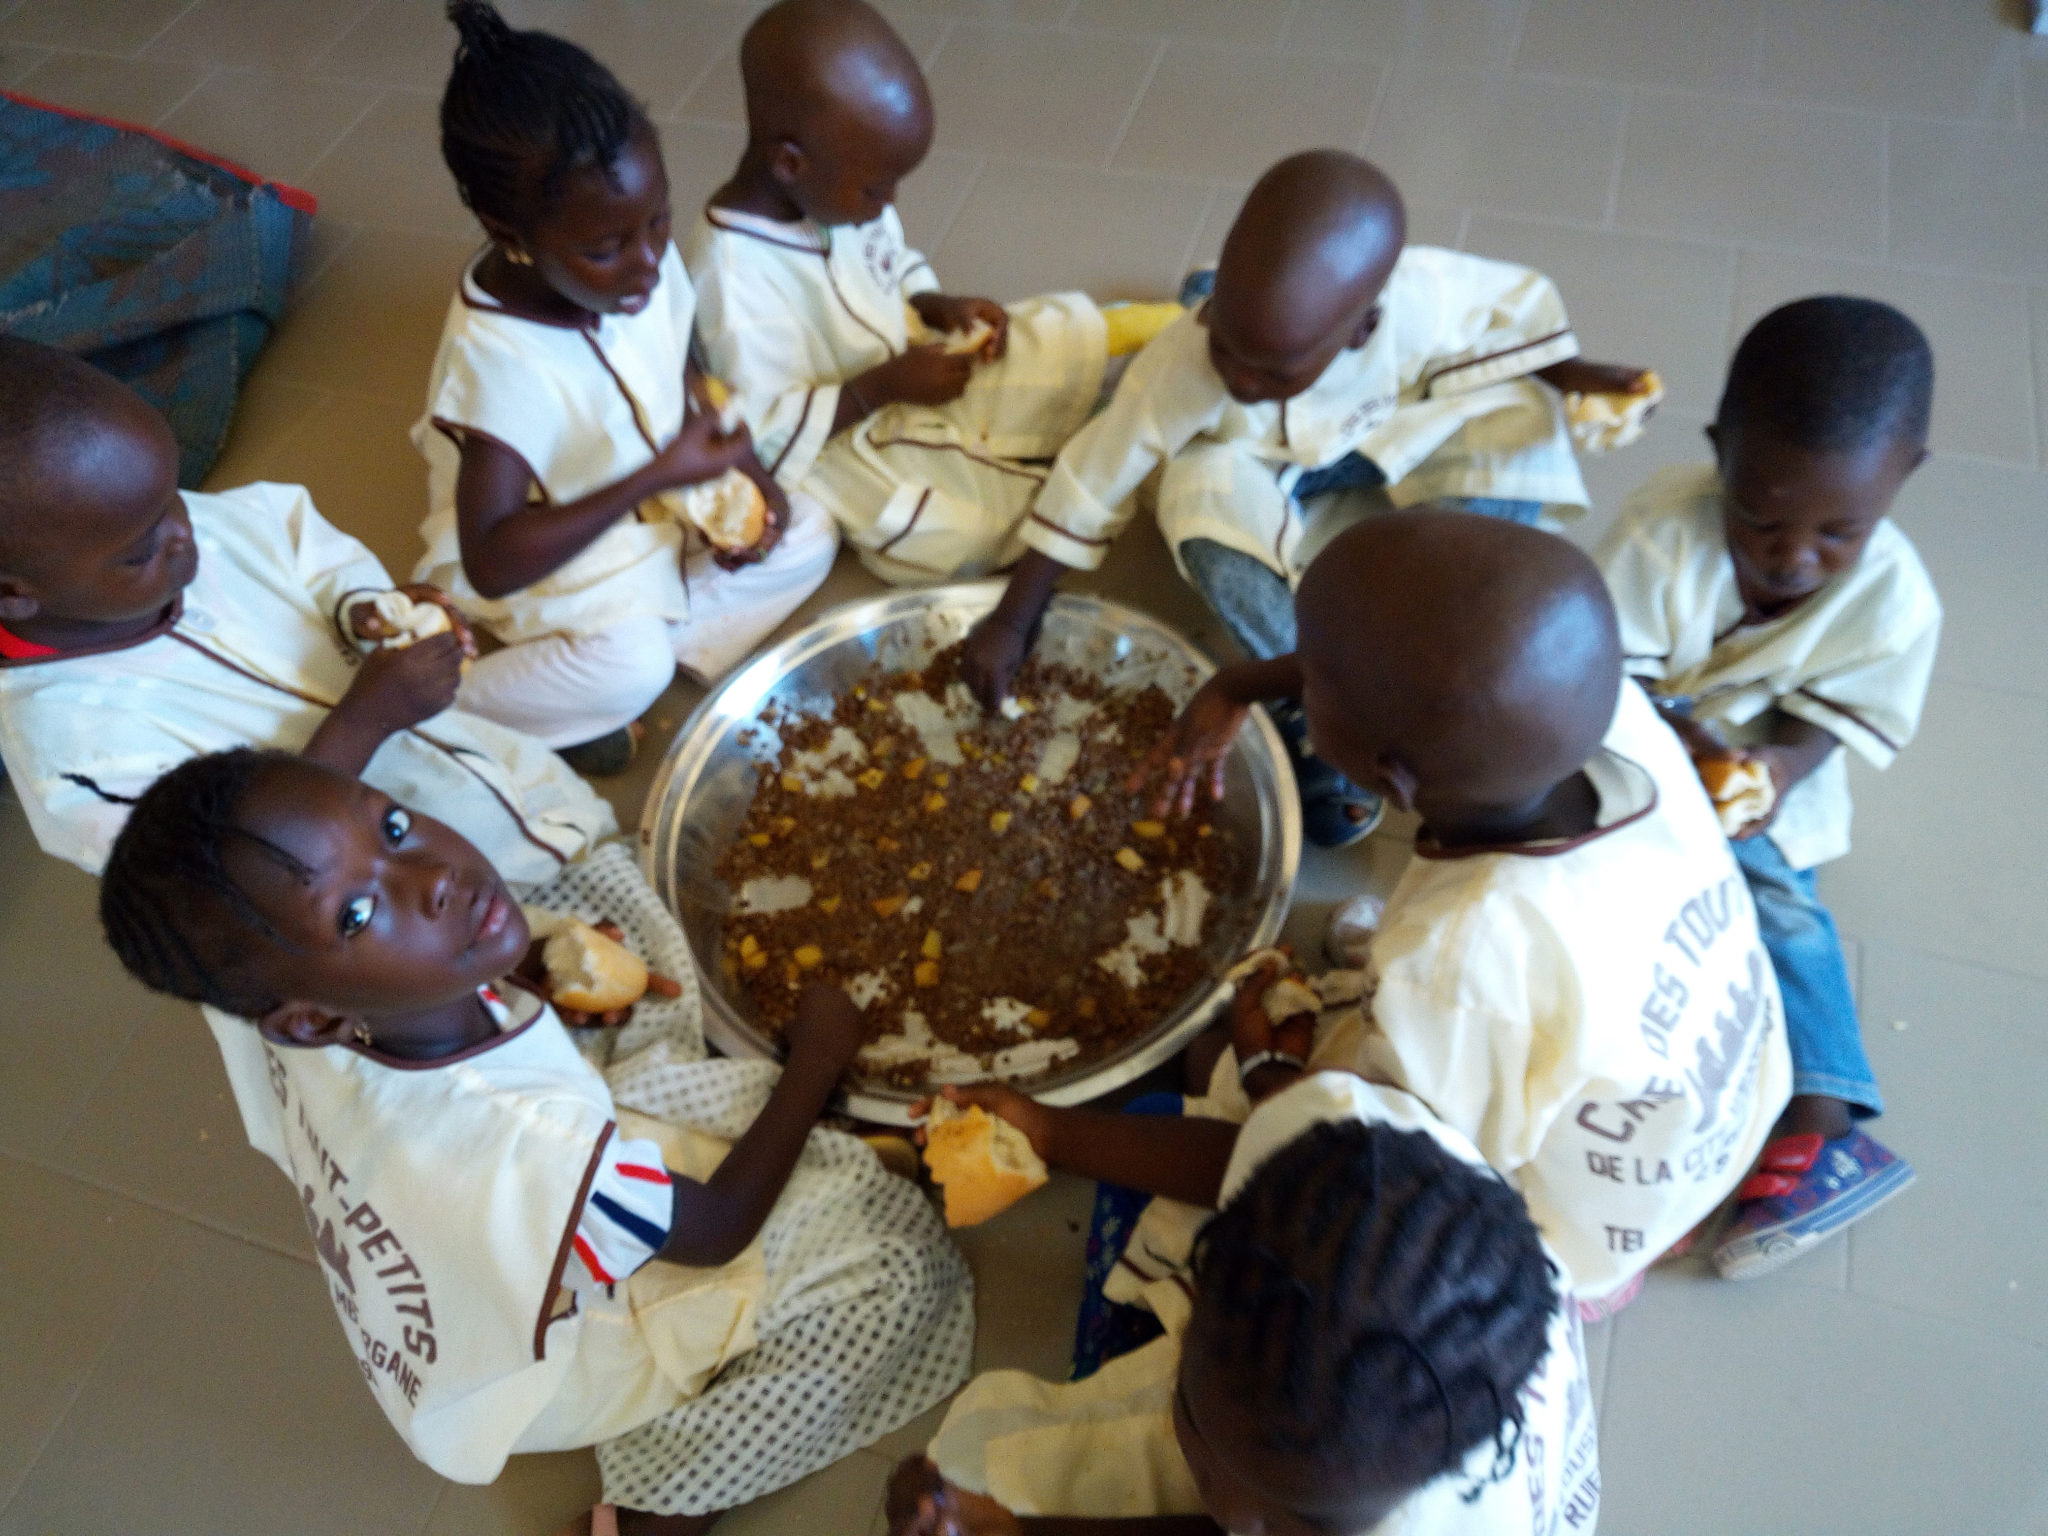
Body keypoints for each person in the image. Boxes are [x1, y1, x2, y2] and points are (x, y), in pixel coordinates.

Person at [98, 749, 974, 1536]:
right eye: (360, 913)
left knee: (599, 913)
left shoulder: (263, 1012)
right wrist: (817, 1062)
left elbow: (297, 886)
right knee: (894, 1268)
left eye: (393, 825)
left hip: (454, 1307)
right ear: (317, 1013)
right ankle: (659, 1510)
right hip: (569, 1367)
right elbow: (716, 1234)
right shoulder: (530, 1147)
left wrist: (473, 959)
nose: (433, 876)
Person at [1136, 509, 1791, 1315]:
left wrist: (1265, 1076)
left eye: (1314, 680)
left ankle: (1588, 1285)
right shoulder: (1606, 713)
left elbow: (1364, 1178)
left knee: (1210, 1069)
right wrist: (1237, 684)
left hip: (1585, 1216)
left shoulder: (1458, 959)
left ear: (1390, 775)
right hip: (1717, 1103)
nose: (1298, 676)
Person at [963, 150, 1653, 847]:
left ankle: (1444, 640)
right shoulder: (1184, 364)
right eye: (1224, 340)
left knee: (1526, 418)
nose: (1238, 376)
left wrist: (1576, 375)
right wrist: (1014, 622)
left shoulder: (1424, 298)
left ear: (1362, 328)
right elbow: (1096, 474)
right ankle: (1321, 700)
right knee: (1191, 494)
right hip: (1257, 456)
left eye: (1270, 367)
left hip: (1392, 429)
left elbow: (1515, 320)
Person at [1597, 296, 1940, 1279]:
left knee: (1776, 905)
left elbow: (1836, 715)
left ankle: (1824, 1119)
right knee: (1611, 895)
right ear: (1718, 453)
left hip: (1777, 773)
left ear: (1901, 479)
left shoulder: (1894, 597)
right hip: (1639, 731)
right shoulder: (1662, 532)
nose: (1793, 556)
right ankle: (1663, 1102)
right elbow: (1603, 670)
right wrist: (1683, 741)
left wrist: (1775, 769)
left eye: (1838, 532)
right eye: (1759, 518)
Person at [0, 336, 611, 885]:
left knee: (536, 810)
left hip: (471, 766)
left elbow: (305, 553)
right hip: (395, 905)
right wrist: (364, 721)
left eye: (175, 495)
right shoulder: (76, 755)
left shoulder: (180, 526)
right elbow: (234, 872)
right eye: (140, 550)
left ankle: (562, 824)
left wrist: (366, 610)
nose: (186, 531)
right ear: (13, 594)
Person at [888, 1071, 1599, 1536]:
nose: (1244, 1523)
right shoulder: (1371, 1164)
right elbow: (1245, 1161)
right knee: (1152, 1121)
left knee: (979, 1451)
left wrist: (1022, 1530)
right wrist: (1048, 1131)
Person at [417, 1, 837, 774]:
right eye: (607, 247)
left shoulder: (634, 259)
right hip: (549, 552)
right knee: (628, 663)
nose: (648, 261)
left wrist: (740, 471)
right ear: (508, 233)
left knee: (808, 525)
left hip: (651, 498)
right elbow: (493, 561)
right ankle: (453, 709)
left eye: (658, 221)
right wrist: (659, 474)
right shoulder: (499, 364)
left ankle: (593, 691)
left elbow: (672, 357)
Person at [684, 0, 1174, 587]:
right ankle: (1067, 483)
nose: (888, 203)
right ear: (791, 163)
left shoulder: (835, 192)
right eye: (877, 188)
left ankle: (1143, 351)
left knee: (1040, 336)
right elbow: (760, 430)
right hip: (837, 445)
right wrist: (875, 392)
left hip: (904, 365)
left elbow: (893, 263)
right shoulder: (733, 277)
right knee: (949, 524)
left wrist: (935, 303)